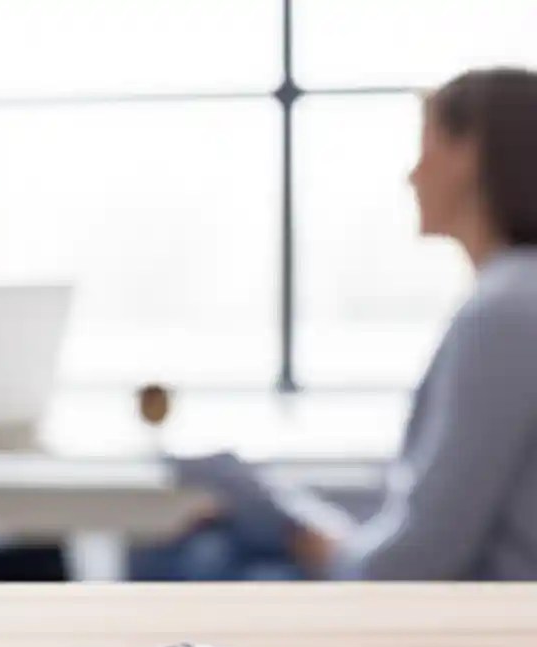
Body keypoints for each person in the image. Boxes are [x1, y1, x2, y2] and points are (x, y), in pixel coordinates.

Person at [135, 67, 537, 581]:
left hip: (474, 616)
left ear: (469, 153)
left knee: (196, 558)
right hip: (470, 591)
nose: (412, 174)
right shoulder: (514, 299)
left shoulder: (504, 314)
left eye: (427, 145)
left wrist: (320, 544)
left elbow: (418, 558)